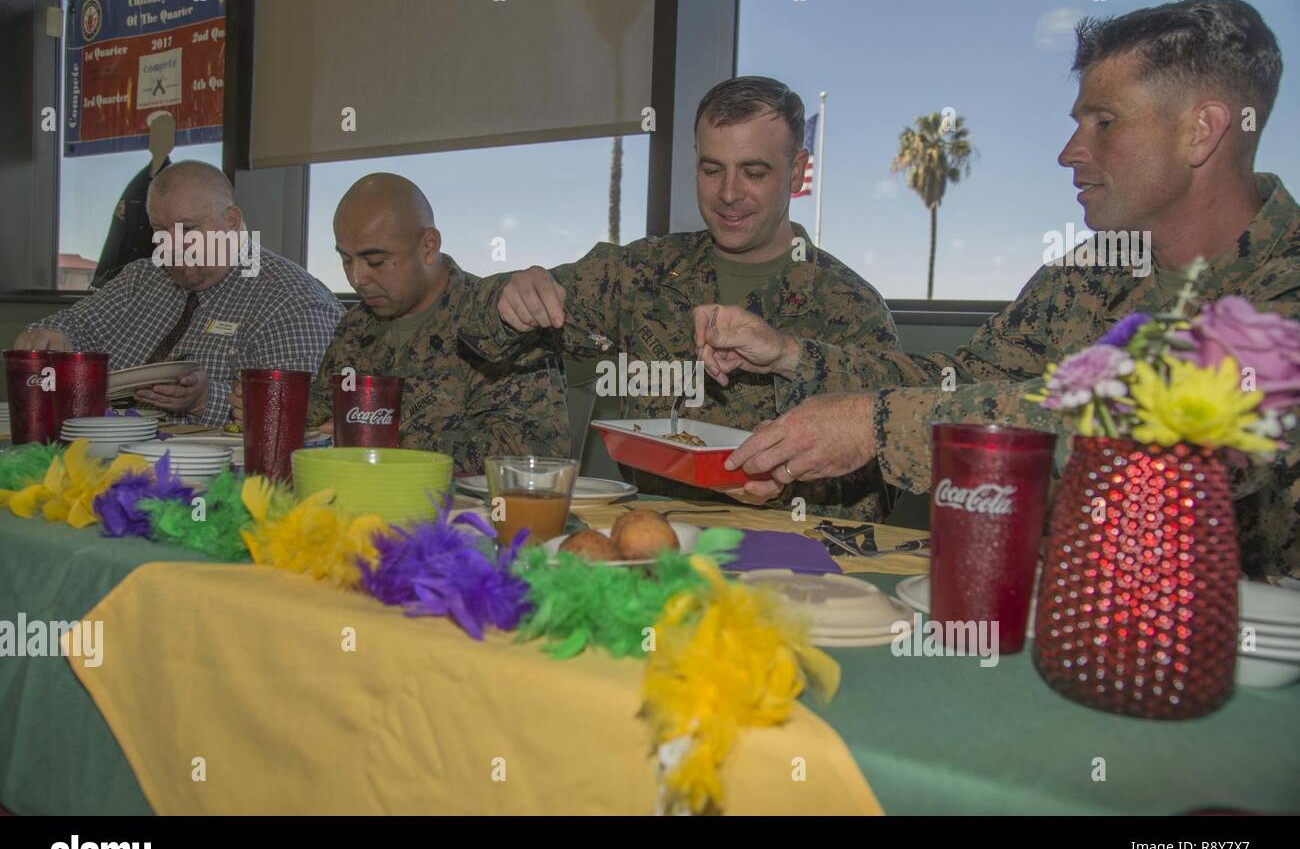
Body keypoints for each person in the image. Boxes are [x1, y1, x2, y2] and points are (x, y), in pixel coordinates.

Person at [696, 0, 1300, 577]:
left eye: (1105, 122)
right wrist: (789, 356)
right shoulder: (1093, 273)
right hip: (1054, 624)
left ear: (1203, 131)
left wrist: (876, 428)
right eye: (1078, 122)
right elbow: (967, 381)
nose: (1070, 152)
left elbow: (1151, 427)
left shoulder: (1284, 284)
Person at [458, 76, 900, 518]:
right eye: (712, 169)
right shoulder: (643, 272)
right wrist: (511, 297)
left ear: (799, 170)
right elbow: (475, 323)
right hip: (652, 540)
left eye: (754, 172)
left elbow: (887, 464)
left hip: (792, 558)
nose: (728, 193)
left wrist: (788, 477)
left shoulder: (850, 306)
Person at [230, 174, 569, 474]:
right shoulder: (357, 326)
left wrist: (386, 443)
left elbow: (529, 456)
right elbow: (323, 414)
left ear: (428, 247)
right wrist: (279, 411)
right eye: (346, 259)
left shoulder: (501, 321)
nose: (357, 278)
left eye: (375, 261)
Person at [17, 160, 342, 427]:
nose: (172, 245)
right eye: (161, 231)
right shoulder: (141, 279)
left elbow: (299, 419)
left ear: (231, 222)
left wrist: (204, 400)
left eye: (188, 229)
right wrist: (50, 336)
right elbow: (73, 326)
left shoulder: (291, 300)